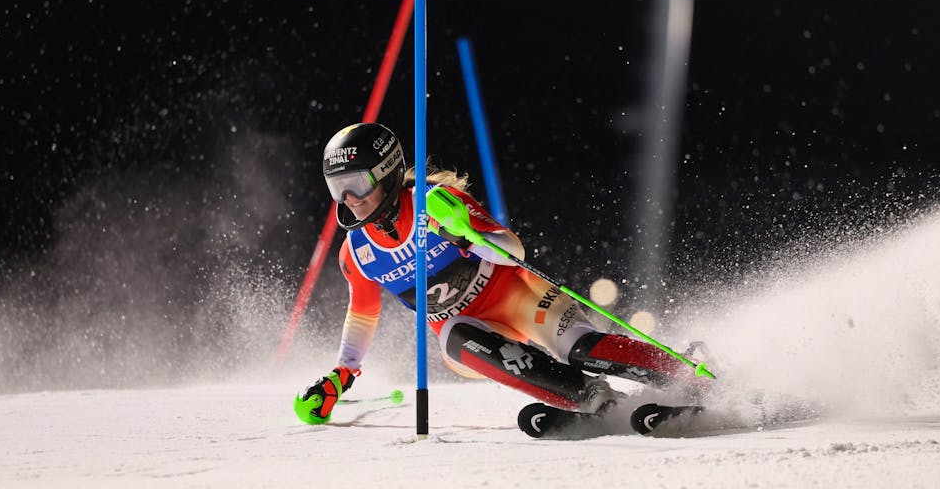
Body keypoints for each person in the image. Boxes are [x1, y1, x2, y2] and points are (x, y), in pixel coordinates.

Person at [294, 122, 705, 425]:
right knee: (455, 338)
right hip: (473, 332)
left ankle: (691, 375)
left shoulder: (434, 202)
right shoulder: (358, 252)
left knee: (580, 349)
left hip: (518, 295)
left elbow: (513, 250)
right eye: (337, 189)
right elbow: (362, 311)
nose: (349, 200)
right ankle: (592, 399)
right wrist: (342, 374)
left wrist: (464, 236)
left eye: (356, 186)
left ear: (385, 174)